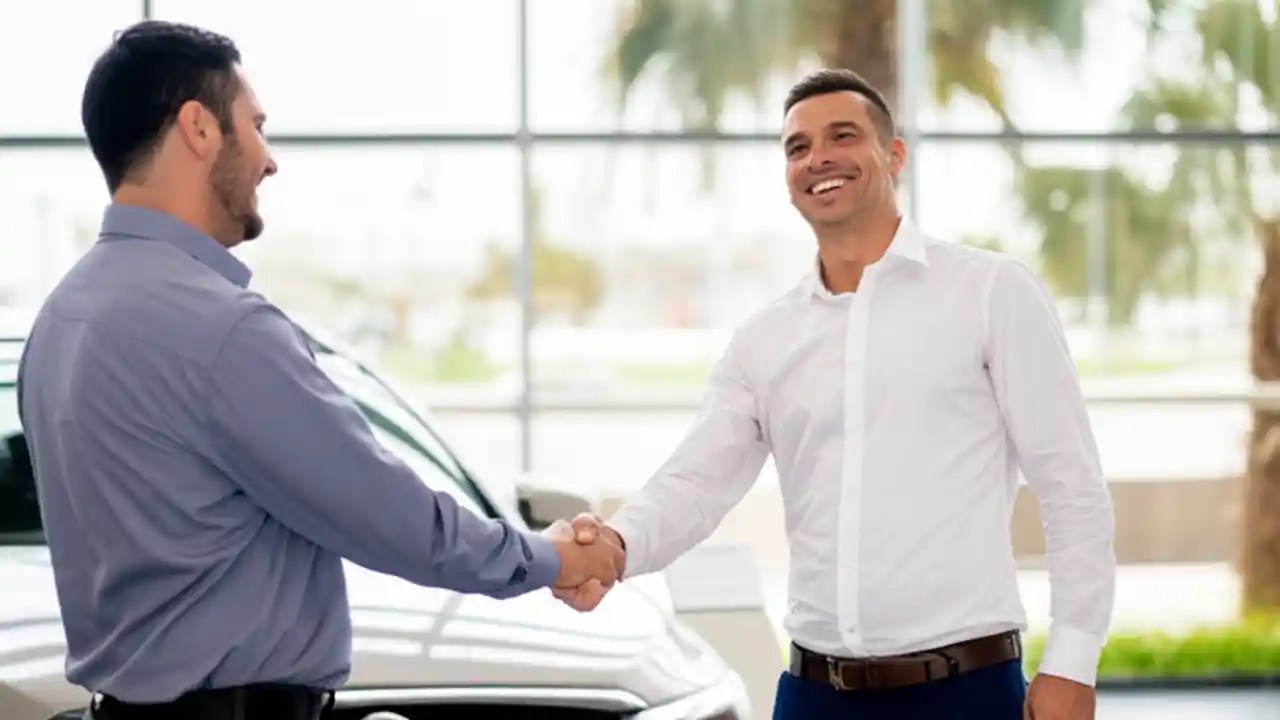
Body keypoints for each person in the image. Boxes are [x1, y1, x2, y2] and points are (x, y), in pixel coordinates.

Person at [16, 20, 621, 720]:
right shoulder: (222, 329)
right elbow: (390, 515)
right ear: (199, 128)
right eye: (256, 125)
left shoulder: (58, 323)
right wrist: (549, 557)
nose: (268, 159)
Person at [559, 68, 1116, 720]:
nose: (817, 158)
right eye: (797, 147)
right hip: (814, 695)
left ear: (894, 155)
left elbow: (1070, 485)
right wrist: (617, 546)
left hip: (965, 691)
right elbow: (695, 481)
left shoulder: (991, 293)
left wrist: (1073, 663)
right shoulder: (765, 338)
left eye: (841, 136)